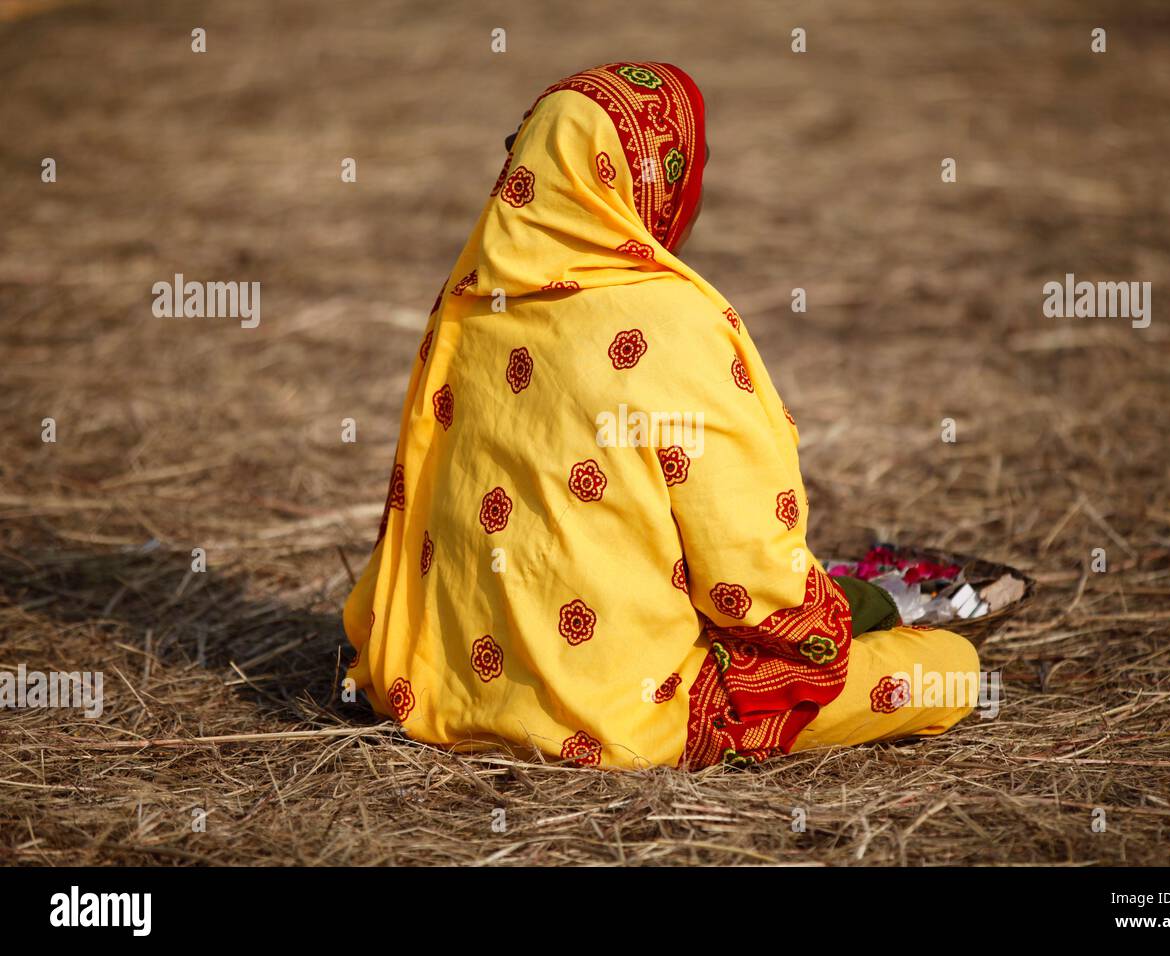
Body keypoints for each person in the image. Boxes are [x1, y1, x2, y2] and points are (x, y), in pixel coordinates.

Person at [343, 62, 979, 770]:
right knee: (950, 670)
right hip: (622, 712)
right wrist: (855, 610)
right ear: (649, 179)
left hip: (441, 685)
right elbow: (748, 580)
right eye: (692, 169)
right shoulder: (674, 324)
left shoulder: (467, 307)